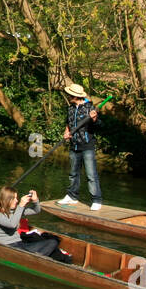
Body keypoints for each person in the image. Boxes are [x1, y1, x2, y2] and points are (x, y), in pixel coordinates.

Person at [0, 186, 72, 263]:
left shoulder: (16, 211)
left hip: (20, 244)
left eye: (17, 198)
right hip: (7, 247)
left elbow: (36, 210)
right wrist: (21, 206)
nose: (17, 200)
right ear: (7, 200)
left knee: (53, 242)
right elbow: (12, 224)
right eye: (14, 198)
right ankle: (36, 259)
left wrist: (35, 200)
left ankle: (36, 258)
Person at [56, 83, 103, 211]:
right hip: (74, 145)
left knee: (91, 174)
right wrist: (66, 132)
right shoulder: (70, 108)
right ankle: (72, 196)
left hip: (87, 145)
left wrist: (94, 119)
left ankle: (96, 200)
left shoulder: (90, 108)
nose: (68, 96)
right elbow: (68, 122)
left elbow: (99, 125)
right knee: (73, 173)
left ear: (75, 96)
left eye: (70, 95)